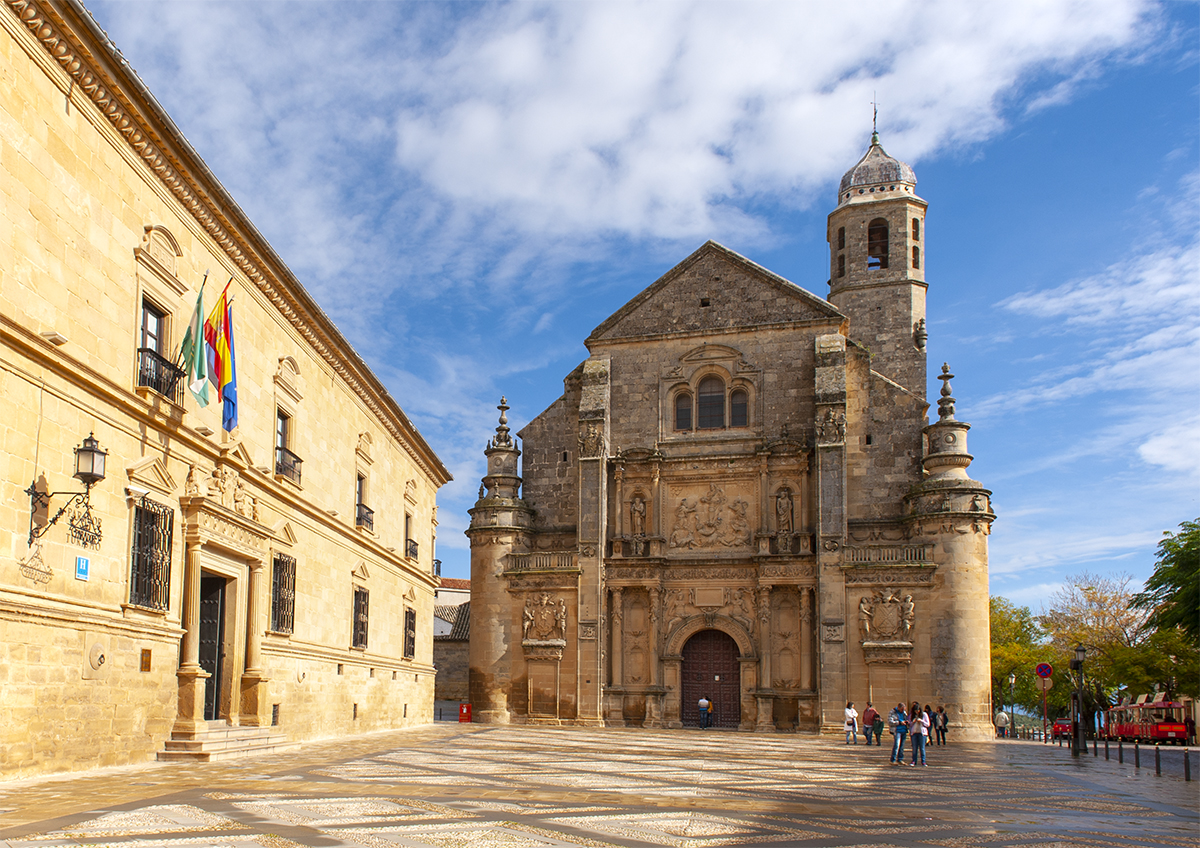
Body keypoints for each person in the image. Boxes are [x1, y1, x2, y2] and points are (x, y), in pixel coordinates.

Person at [909, 701, 929, 766]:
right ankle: (914, 761)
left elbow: (928, 724)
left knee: (922, 748)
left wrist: (921, 721)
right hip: (914, 733)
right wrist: (913, 721)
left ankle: (923, 761)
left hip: (922, 733)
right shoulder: (912, 715)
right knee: (914, 748)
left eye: (918, 710)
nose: (917, 712)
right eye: (915, 711)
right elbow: (909, 724)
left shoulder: (924, 714)